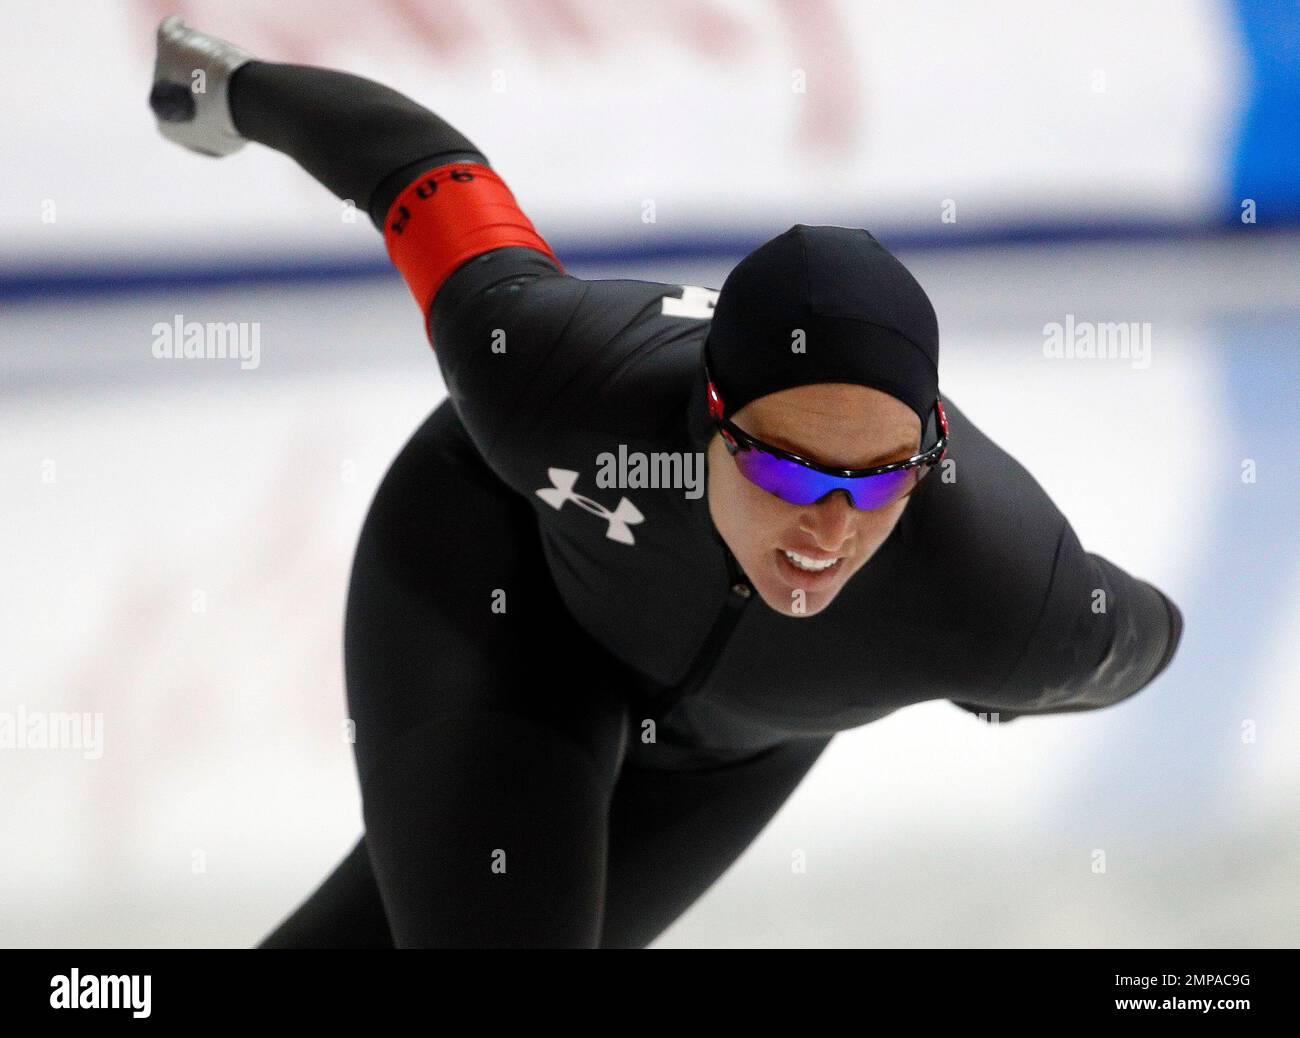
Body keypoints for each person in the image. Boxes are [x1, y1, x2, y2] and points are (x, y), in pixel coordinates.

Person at [150, 17, 1184, 949]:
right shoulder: (554, 369)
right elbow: (415, 169)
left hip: (726, 750)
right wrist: (222, 90)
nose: (829, 530)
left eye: (876, 483)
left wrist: (1006, 672)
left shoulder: (1006, 589)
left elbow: (1144, 640)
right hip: (506, 592)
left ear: (931, 446)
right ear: (708, 418)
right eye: (786, 467)